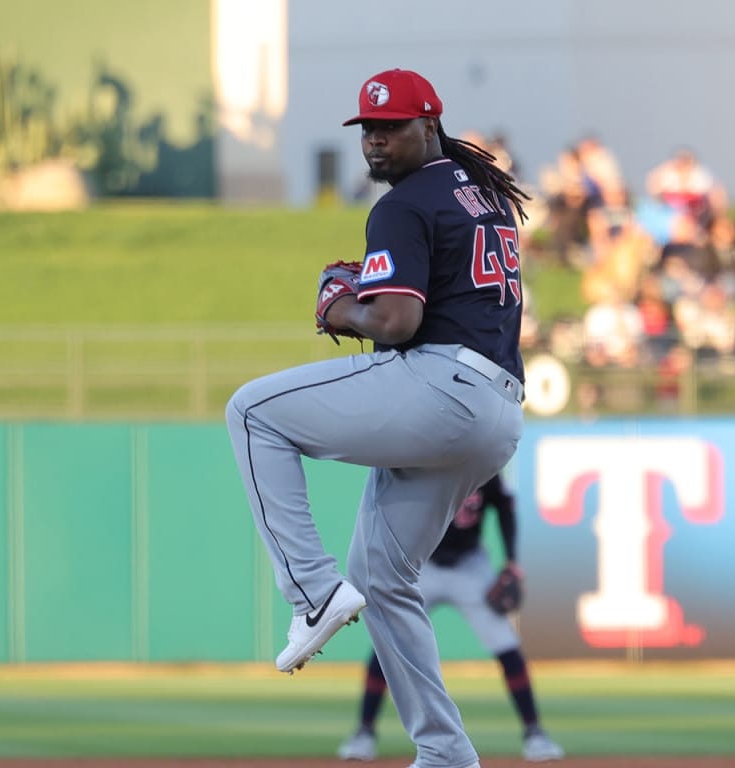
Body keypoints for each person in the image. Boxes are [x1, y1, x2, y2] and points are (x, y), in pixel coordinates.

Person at [225, 67, 529, 768]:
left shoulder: (403, 204)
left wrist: (338, 305)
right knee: (384, 577)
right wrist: (364, 292)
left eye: (392, 128)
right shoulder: (480, 192)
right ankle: (446, 752)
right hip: (495, 409)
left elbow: (395, 322)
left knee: (252, 412)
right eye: (368, 128)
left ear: (430, 125)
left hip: (443, 387)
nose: (376, 141)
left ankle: (310, 590)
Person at [336, 474, 566, 763]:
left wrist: (511, 561)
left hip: (470, 565)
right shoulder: (428, 459)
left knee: (506, 646)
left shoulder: (484, 464)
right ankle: (364, 732)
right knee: (388, 641)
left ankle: (535, 734)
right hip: (421, 564)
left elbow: (505, 509)